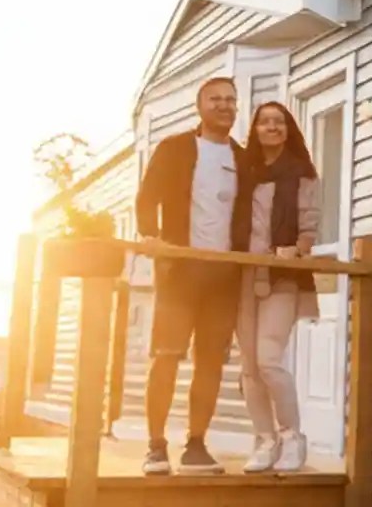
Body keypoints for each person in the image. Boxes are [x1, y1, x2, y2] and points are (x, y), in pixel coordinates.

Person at [134, 76, 252, 476]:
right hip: (179, 272)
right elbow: (147, 198)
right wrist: (151, 235)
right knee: (166, 356)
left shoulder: (243, 157)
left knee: (210, 363)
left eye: (230, 100)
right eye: (215, 99)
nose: (224, 106)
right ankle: (155, 446)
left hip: (224, 276)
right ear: (199, 107)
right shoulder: (174, 149)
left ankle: (196, 444)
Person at [237, 101, 322, 473]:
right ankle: (264, 439)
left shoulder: (301, 171)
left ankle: (291, 437)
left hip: (282, 274)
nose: (272, 127)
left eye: (279, 122)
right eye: (264, 122)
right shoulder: (245, 172)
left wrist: (297, 250)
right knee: (249, 367)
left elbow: (310, 224)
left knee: (268, 359)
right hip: (241, 273)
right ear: (254, 130)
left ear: (288, 129)